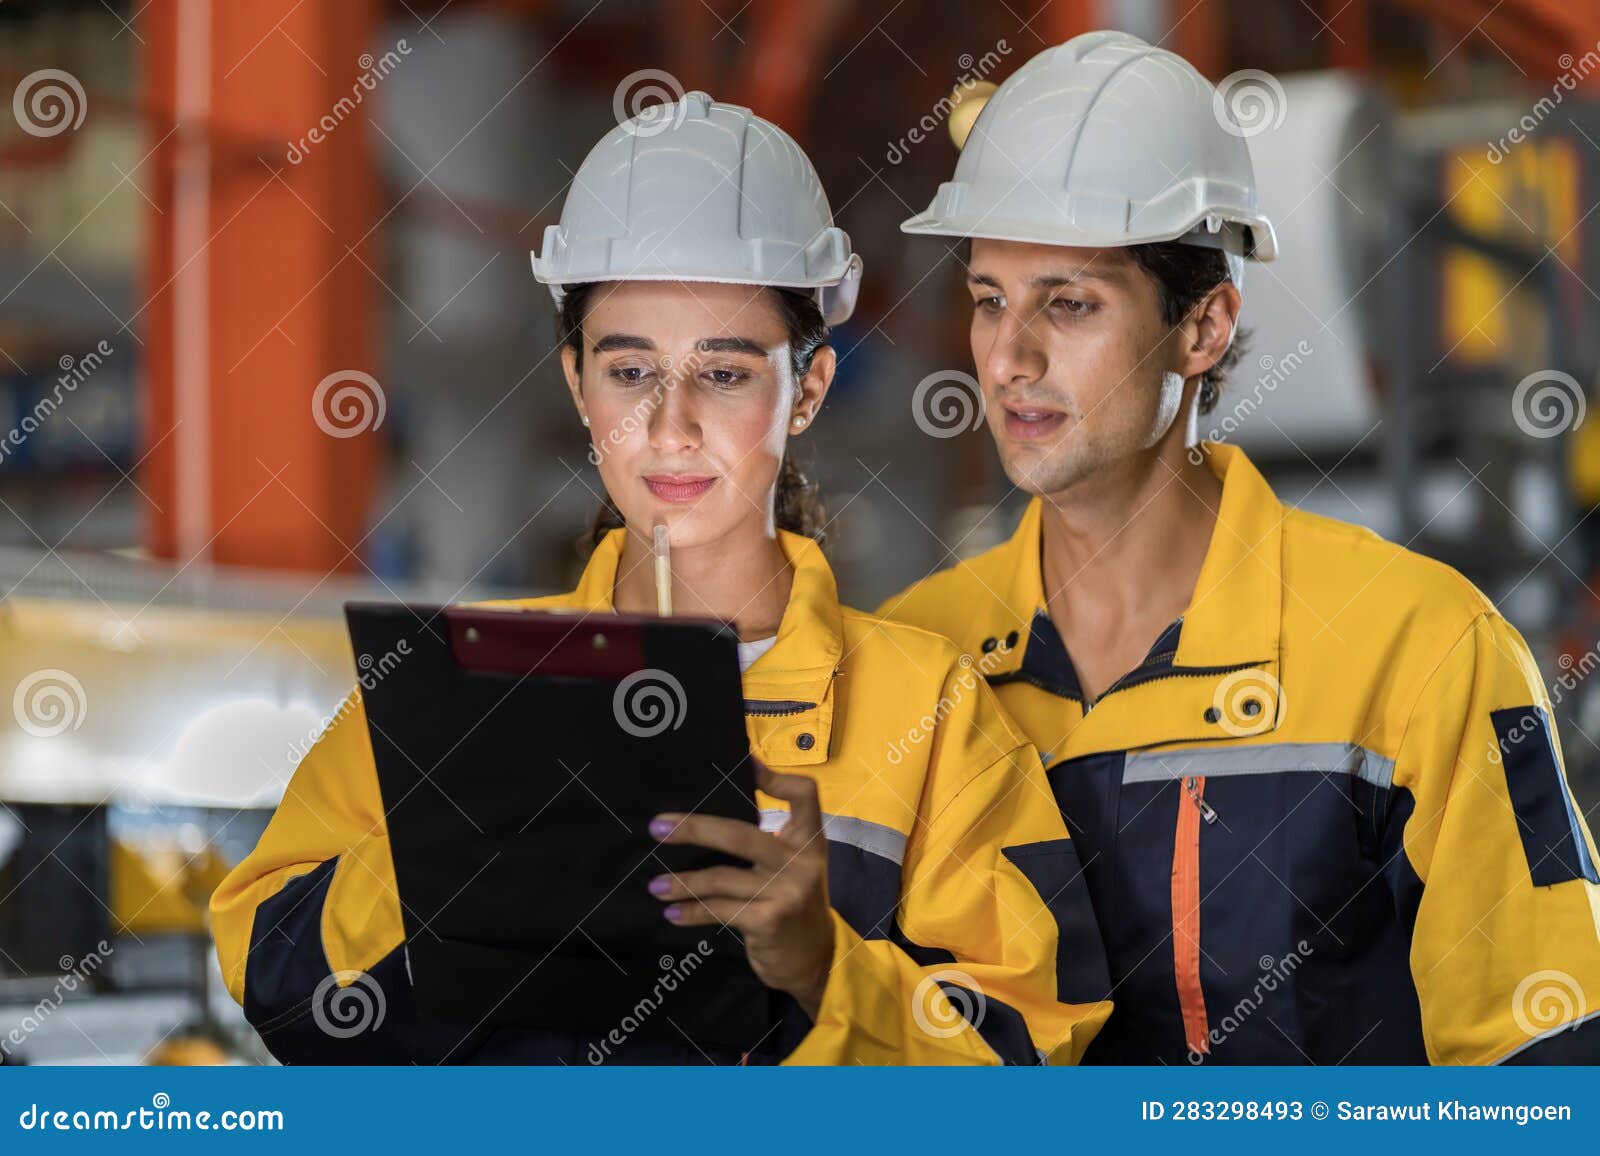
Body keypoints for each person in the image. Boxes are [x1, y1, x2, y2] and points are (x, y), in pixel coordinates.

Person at [210, 91, 1110, 1065]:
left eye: (724, 373)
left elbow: (1037, 1054)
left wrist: (826, 972)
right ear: (576, 382)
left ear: (806, 389)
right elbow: (279, 987)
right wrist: (440, 838)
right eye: (630, 372)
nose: (671, 427)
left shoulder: (930, 715)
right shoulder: (460, 693)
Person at [880, 30, 1600, 1064]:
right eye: (990, 300)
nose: (1008, 358)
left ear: (1204, 326)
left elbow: (1547, 1077)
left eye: (1068, 304)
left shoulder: (1422, 650)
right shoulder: (912, 662)